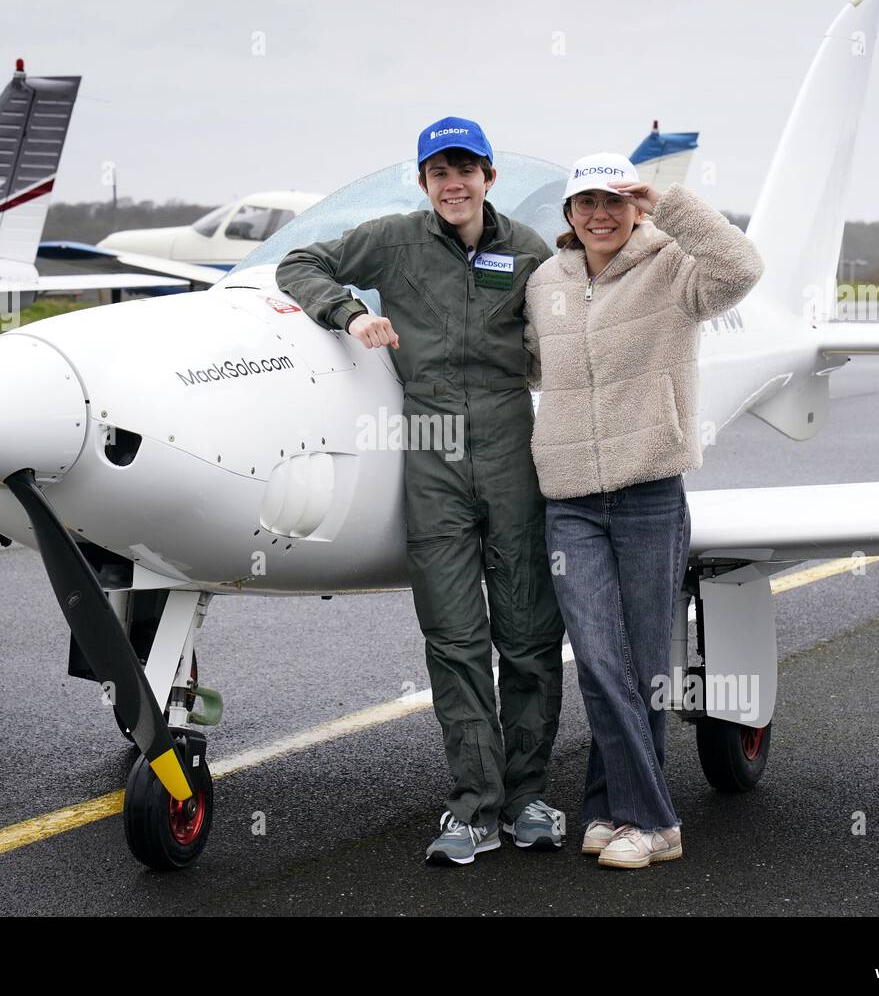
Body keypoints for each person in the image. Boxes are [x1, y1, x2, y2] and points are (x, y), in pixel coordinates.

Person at [276, 117, 567, 865]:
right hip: (432, 451)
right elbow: (299, 262)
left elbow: (569, 328)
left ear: (489, 177)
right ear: (425, 180)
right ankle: (473, 807)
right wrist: (350, 313)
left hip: (511, 449)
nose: (453, 183)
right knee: (454, 638)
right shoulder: (394, 240)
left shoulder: (528, 253)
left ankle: (529, 796)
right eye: (439, 171)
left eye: (465, 169)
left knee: (529, 635)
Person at [523, 152, 763, 869]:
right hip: (568, 497)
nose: (601, 214)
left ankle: (629, 813)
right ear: (568, 214)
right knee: (601, 658)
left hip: (649, 491)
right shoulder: (545, 282)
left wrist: (672, 203)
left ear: (636, 207)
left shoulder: (674, 270)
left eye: (616, 201)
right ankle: (635, 813)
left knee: (644, 662)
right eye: (586, 202)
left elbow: (742, 267)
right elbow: (527, 362)